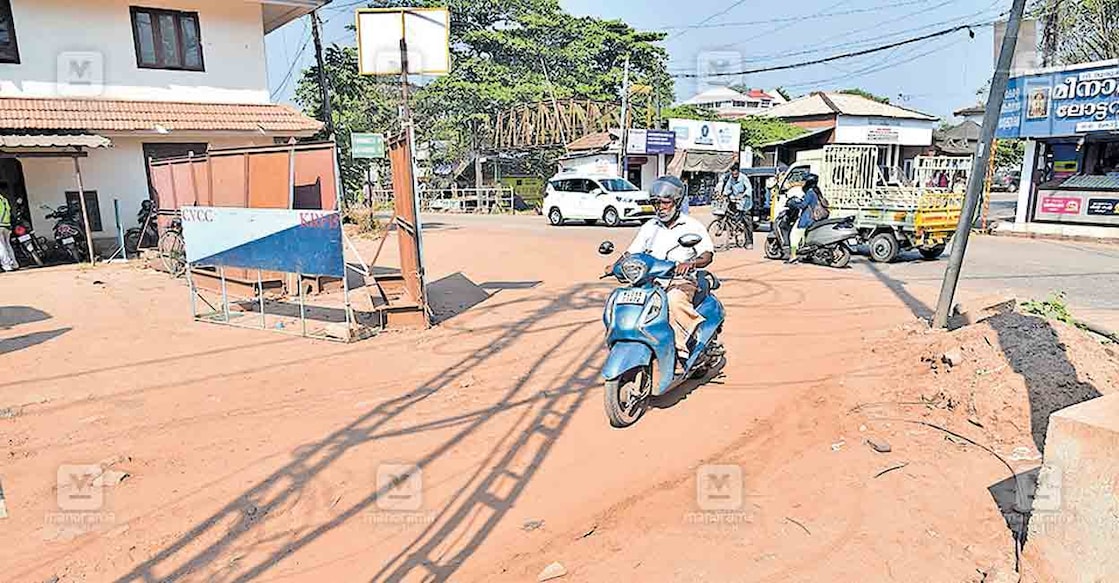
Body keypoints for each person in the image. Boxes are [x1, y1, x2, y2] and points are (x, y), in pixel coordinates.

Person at [608, 176, 715, 367]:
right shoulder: (650, 227)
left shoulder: (692, 226)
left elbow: (707, 255)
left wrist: (690, 263)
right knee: (623, 299)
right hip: (651, 281)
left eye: (665, 202)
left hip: (681, 280)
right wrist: (615, 265)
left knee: (673, 300)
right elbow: (631, 252)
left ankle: (680, 349)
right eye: (655, 203)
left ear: (677, 202)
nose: (660, 207)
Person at [787, 173, 823, 264]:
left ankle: (793, 256)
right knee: (804, 237)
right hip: (814, 218)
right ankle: (807, 254)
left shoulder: (810, 192)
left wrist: (793, 204)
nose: (803, 183)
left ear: (808, 182)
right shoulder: (817, 192)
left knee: (793, 235)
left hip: (807, 218)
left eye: (804, 181)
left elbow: (803, 205)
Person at [721, 167, 754, 249]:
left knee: (747, 223)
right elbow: (728, 188)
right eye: (733, 174)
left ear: (738, 172)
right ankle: (735, 231)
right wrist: (724, 194)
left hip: (745, 203)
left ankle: (749, 242)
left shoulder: (743, 178)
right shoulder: (731, 178)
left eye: (736, 174)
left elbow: (749, 188)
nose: (734, 176)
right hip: (736, 202)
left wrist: (744, 195)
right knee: (734, 218)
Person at [0, 191, 18, 272]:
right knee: (8, 245)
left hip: (0, 225)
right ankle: (14, 263)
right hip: (7, 225)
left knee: (1, 246)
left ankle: (6, 265)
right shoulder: (4, 200)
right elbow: (9, 211)